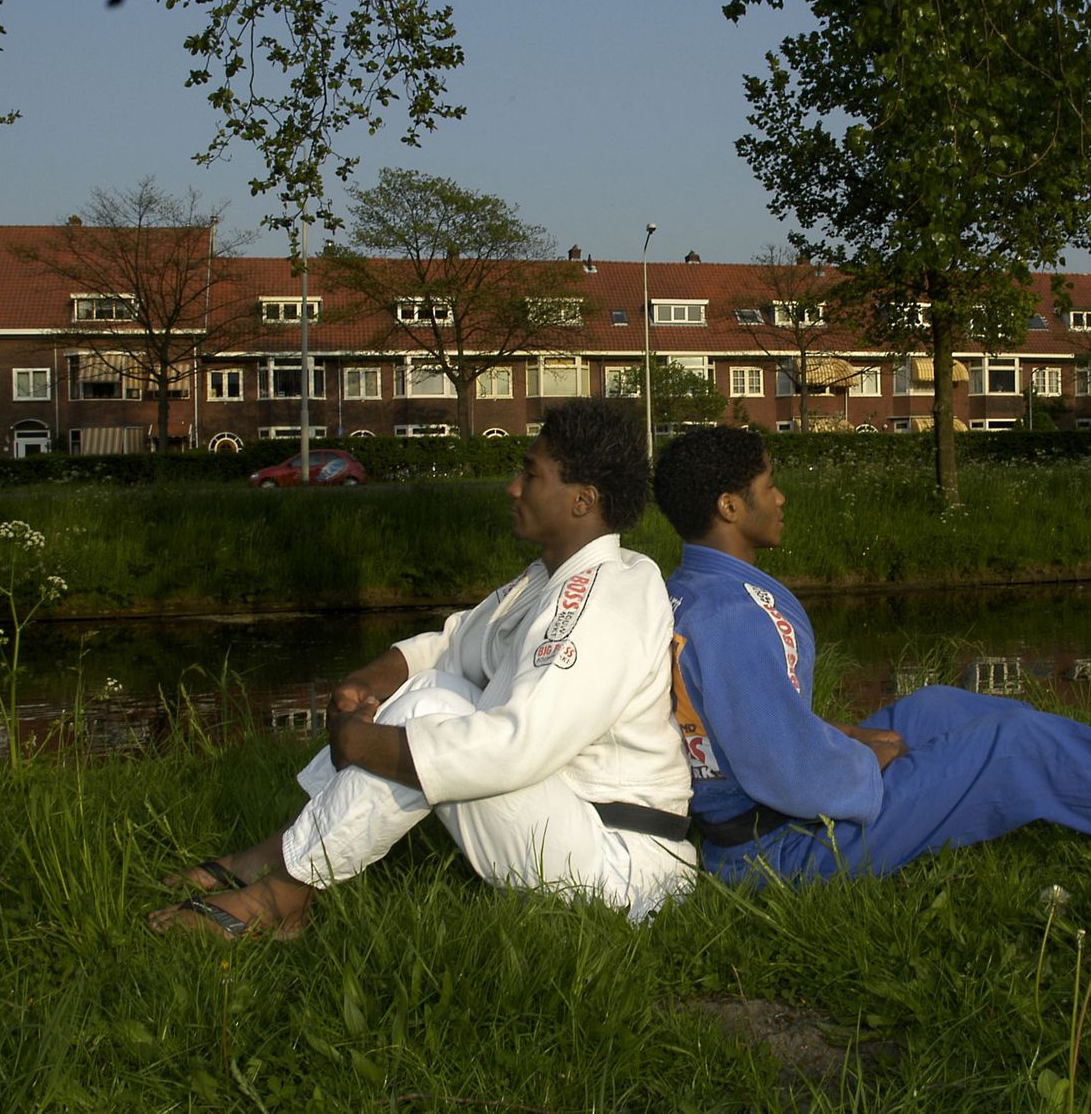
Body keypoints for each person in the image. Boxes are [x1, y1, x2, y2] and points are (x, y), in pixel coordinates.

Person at [652, 427, 1091, 884]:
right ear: (731, 506)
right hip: (781, 851)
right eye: (771, 485)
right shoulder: (733, 615)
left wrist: (846, 732)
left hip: (775, 817)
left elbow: (742, 723)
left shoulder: (698, 591)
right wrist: (863, 760)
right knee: (1008, 742)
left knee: (935, 708)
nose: (782, 497)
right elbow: (784, 768)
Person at [151, 400, 695, 937]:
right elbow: (452, 647)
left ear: (583, 501)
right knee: (432, 687)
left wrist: (361, 744)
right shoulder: (546, 580)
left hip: (627, 870)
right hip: (573, 824)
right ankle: (278, 853)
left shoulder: (605, 598)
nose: (513, 487)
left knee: (431, 707)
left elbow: (514, 747)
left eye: (531, 474)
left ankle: (282, 897)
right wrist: (363, 684)